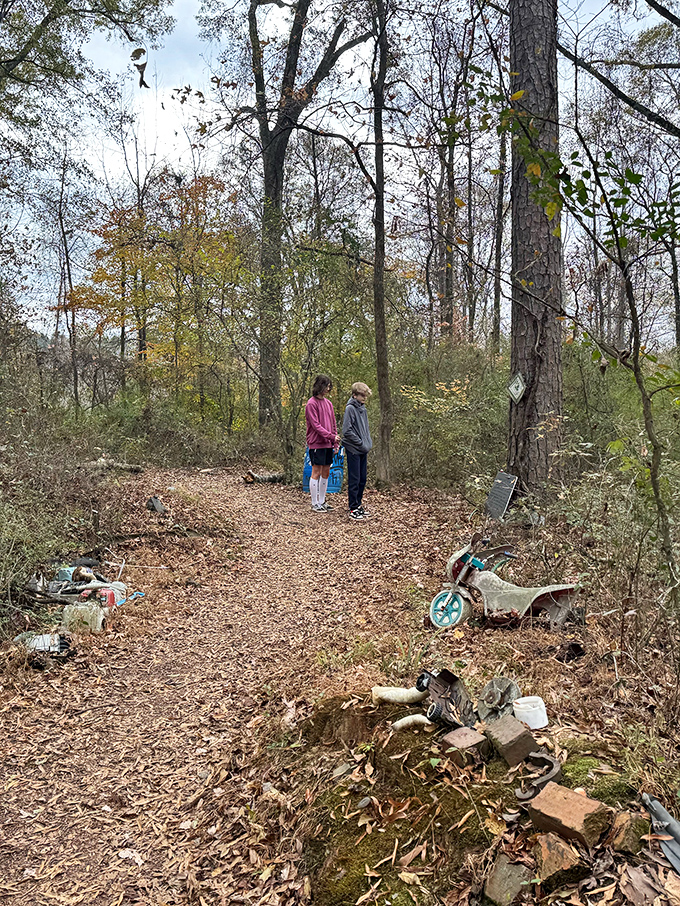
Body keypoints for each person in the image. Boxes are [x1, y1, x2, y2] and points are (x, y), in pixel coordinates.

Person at [305, 374, 340, 513]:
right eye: (326, 386)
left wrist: (335, 442)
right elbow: (316, 426)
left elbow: (333, 424)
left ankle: (322, 501)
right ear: (320, 386)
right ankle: (314, 503)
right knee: (316, 471)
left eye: (329, 386)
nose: (328, 389)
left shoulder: (329, 404)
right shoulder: (311, 404)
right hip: (316, 443)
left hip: (328, 444)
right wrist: (330, 436)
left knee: (326, 471)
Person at [342, 382, 372, 521]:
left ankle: (358, 505)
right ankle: (353, 507)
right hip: (353, 449)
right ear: (355, 395)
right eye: (361, 395)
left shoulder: (363, 409)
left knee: (362, 478)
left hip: (363, 449)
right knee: (354, 479)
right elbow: (346, 431)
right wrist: (359, 442)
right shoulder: (350, 409)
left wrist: (367, 442)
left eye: (365, 395)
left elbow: (364, 429)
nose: (364, 397)